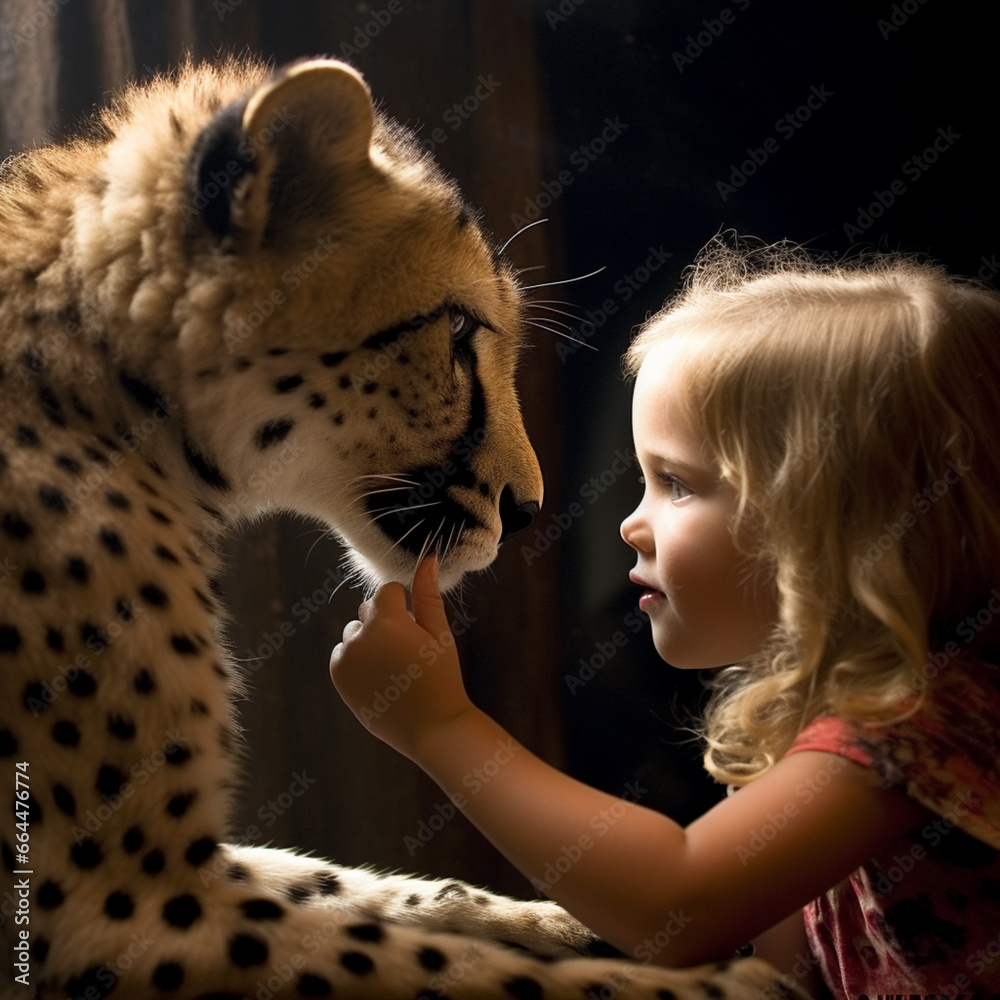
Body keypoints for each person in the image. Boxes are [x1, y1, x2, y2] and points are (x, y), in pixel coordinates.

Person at [329, 239, 1000, 998]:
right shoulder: (837, 731)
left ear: (828, 522)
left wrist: (442, 726)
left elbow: (677, 906)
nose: (630, 524)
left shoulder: (920, 725)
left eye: (675, 484)